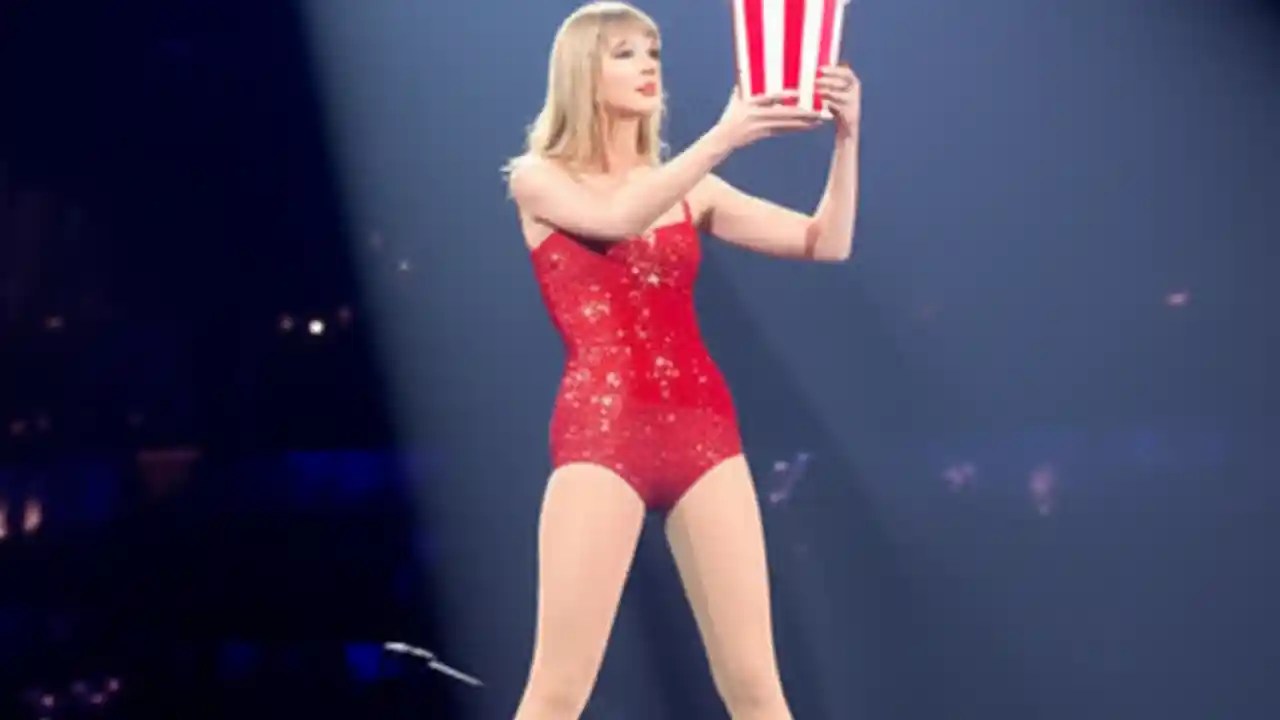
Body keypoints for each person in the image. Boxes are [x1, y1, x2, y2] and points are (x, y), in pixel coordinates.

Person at [505, 2, 860, 718]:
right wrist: (725, 135)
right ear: (583, 72)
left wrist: (848, 137)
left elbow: (827, 242)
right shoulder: (539, 179)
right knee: (558, 690)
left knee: (757, 688)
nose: (648, 68)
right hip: (603, 434)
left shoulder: (692, 189)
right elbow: (618, 219)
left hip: (704, 431)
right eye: (625, 53)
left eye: (653, 53)